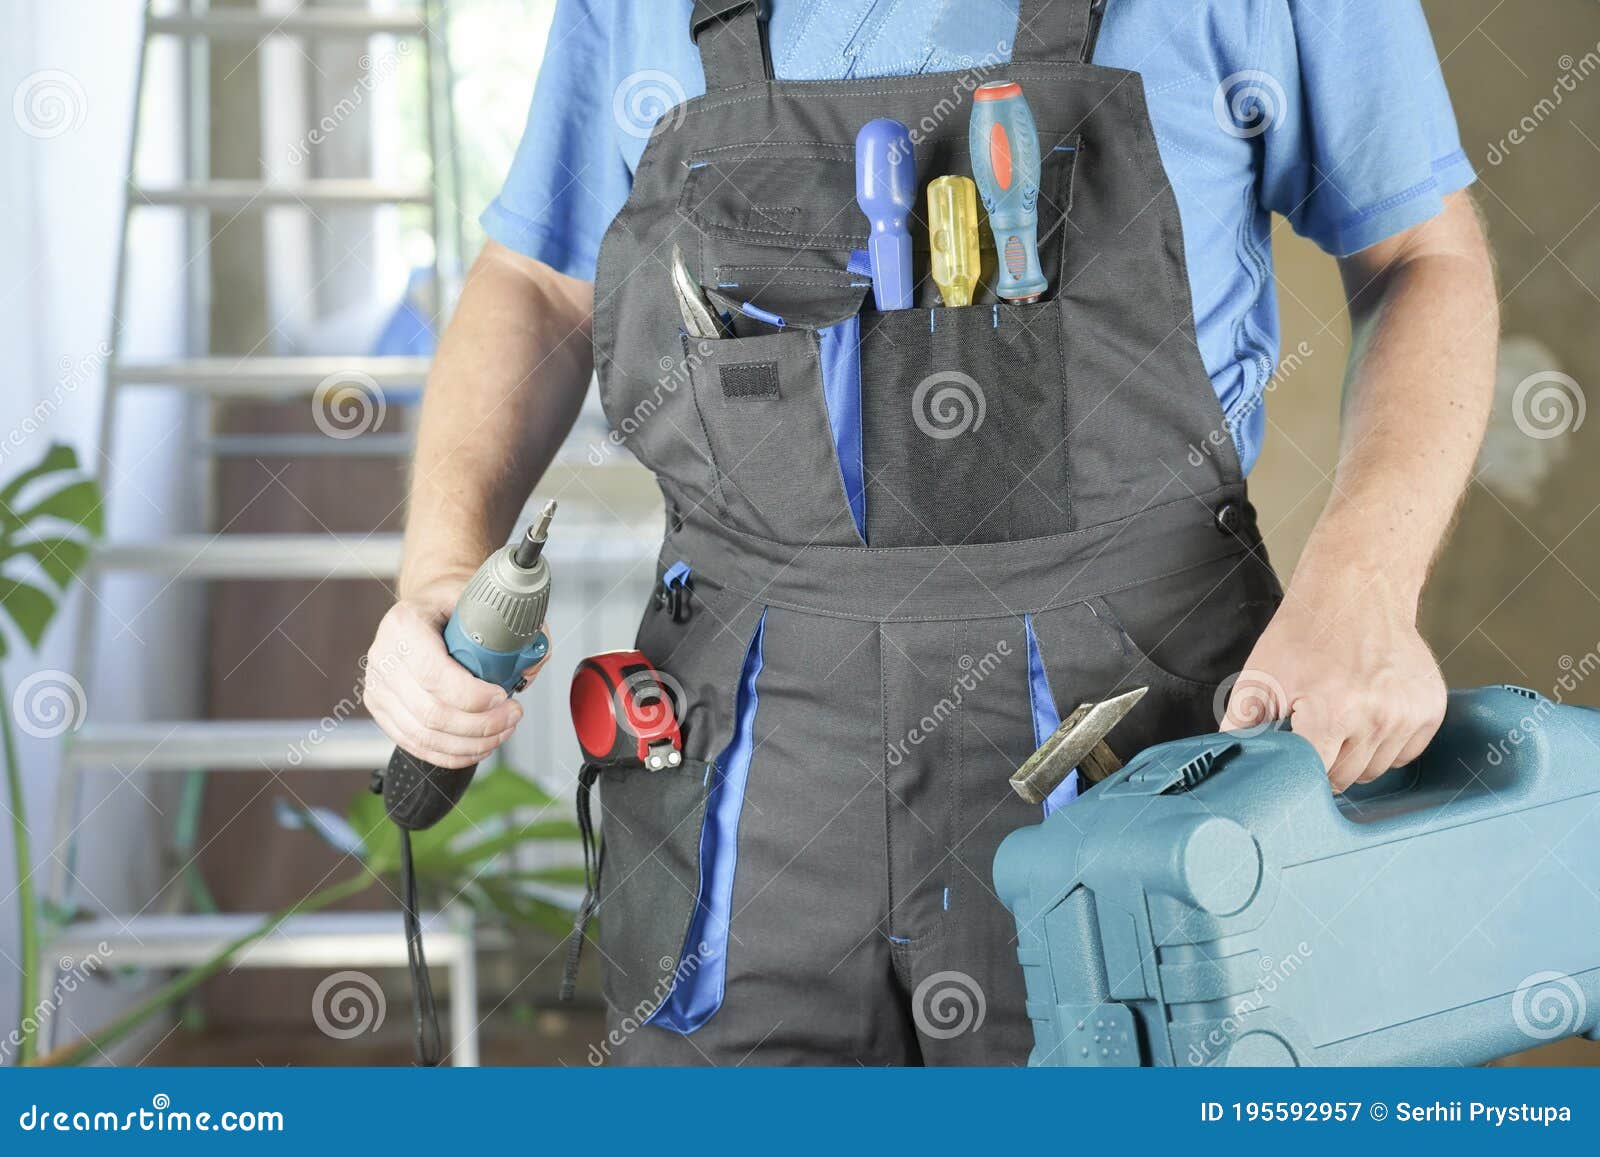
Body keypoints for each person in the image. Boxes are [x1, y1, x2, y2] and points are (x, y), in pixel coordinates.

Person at [362, 0, 1496, 1064]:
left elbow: (1419, 256)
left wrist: (1364, 585)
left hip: (1136, 735)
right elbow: (538, 280)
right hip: (743, 770)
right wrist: (442, 567)